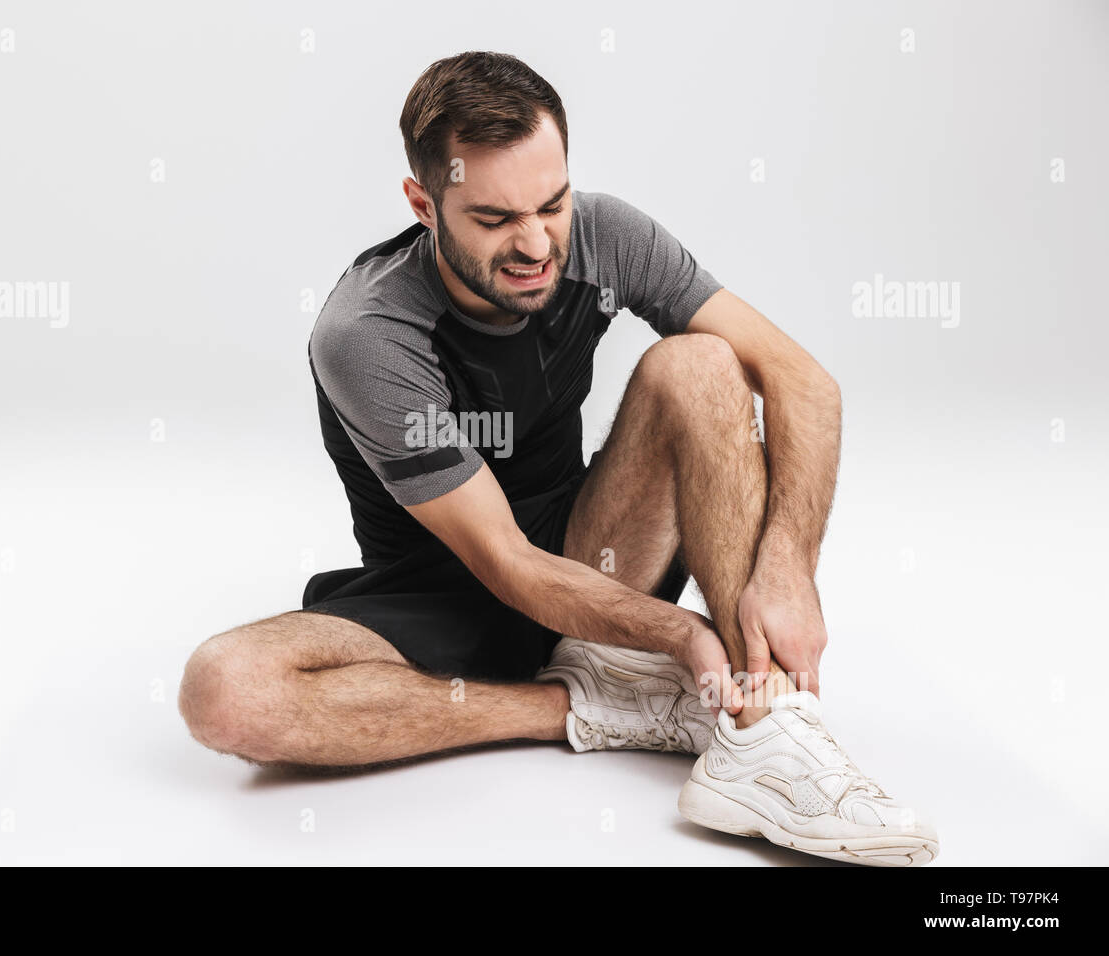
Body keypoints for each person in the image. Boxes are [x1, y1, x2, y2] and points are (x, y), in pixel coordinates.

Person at [178, 51, 938, 867]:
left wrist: (786, 567)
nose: (536, 242)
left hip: (591, 553)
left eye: (552, 203)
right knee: (222, 690)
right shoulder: (367, 332)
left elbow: (804, 382)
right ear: (423, 204)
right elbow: (505, 563)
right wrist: (682, 640)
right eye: (496, 218)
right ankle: (593, 705)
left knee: (701, 363)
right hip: (445, 593)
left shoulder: (606, 236)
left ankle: (763, 728)